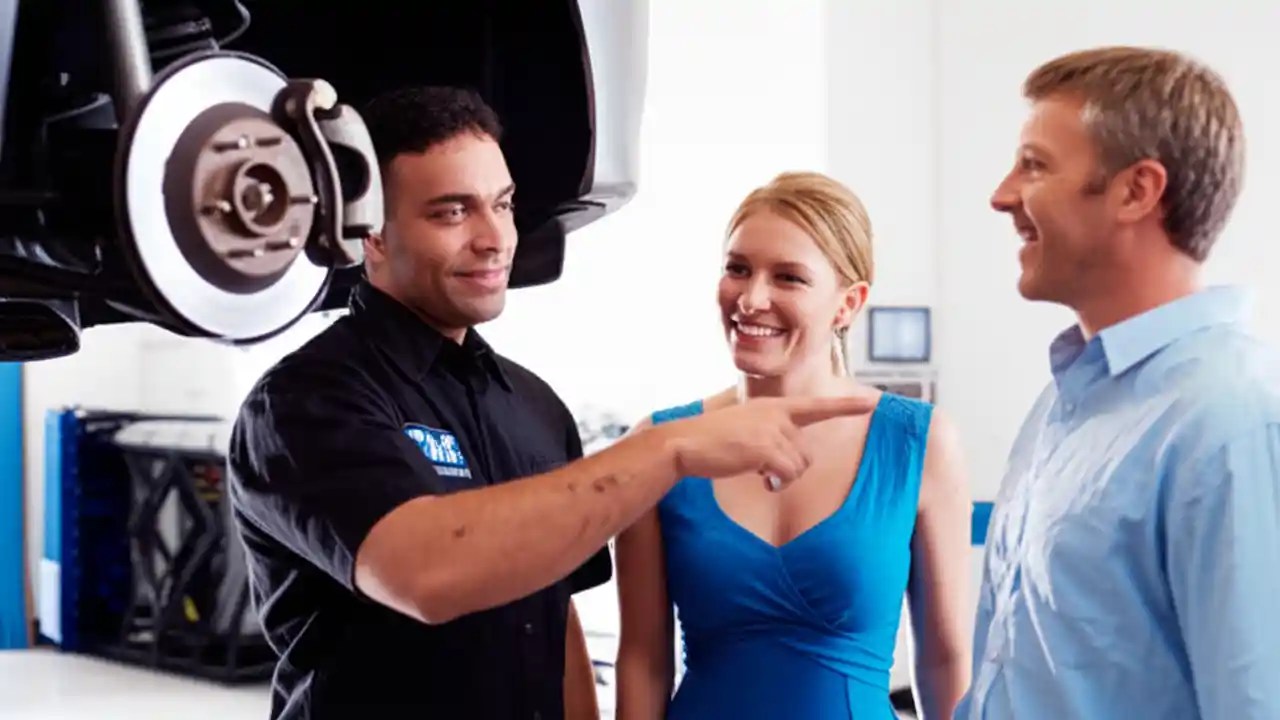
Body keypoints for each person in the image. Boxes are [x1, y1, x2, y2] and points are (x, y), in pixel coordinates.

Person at [226, 87, 877, 720]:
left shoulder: (532, 404)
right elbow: (426, 572)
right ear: (371, 233)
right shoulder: (304, 401)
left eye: (502, 205)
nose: (494, 238)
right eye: (452, 212)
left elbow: (554, 623)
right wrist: (667, 449)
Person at [955, 46, 1280, 719]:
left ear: (1136, 191)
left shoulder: (1231, 422)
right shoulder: (1063, 404)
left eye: (1034, 164)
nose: (1002, 194)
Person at [613, 171, 973, 719]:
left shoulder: (916, 442)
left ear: (848, 304)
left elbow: (945, 660)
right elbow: (642, 659)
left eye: (789, 278)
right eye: (738, 269)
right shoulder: (663, 444)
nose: (751, 298)